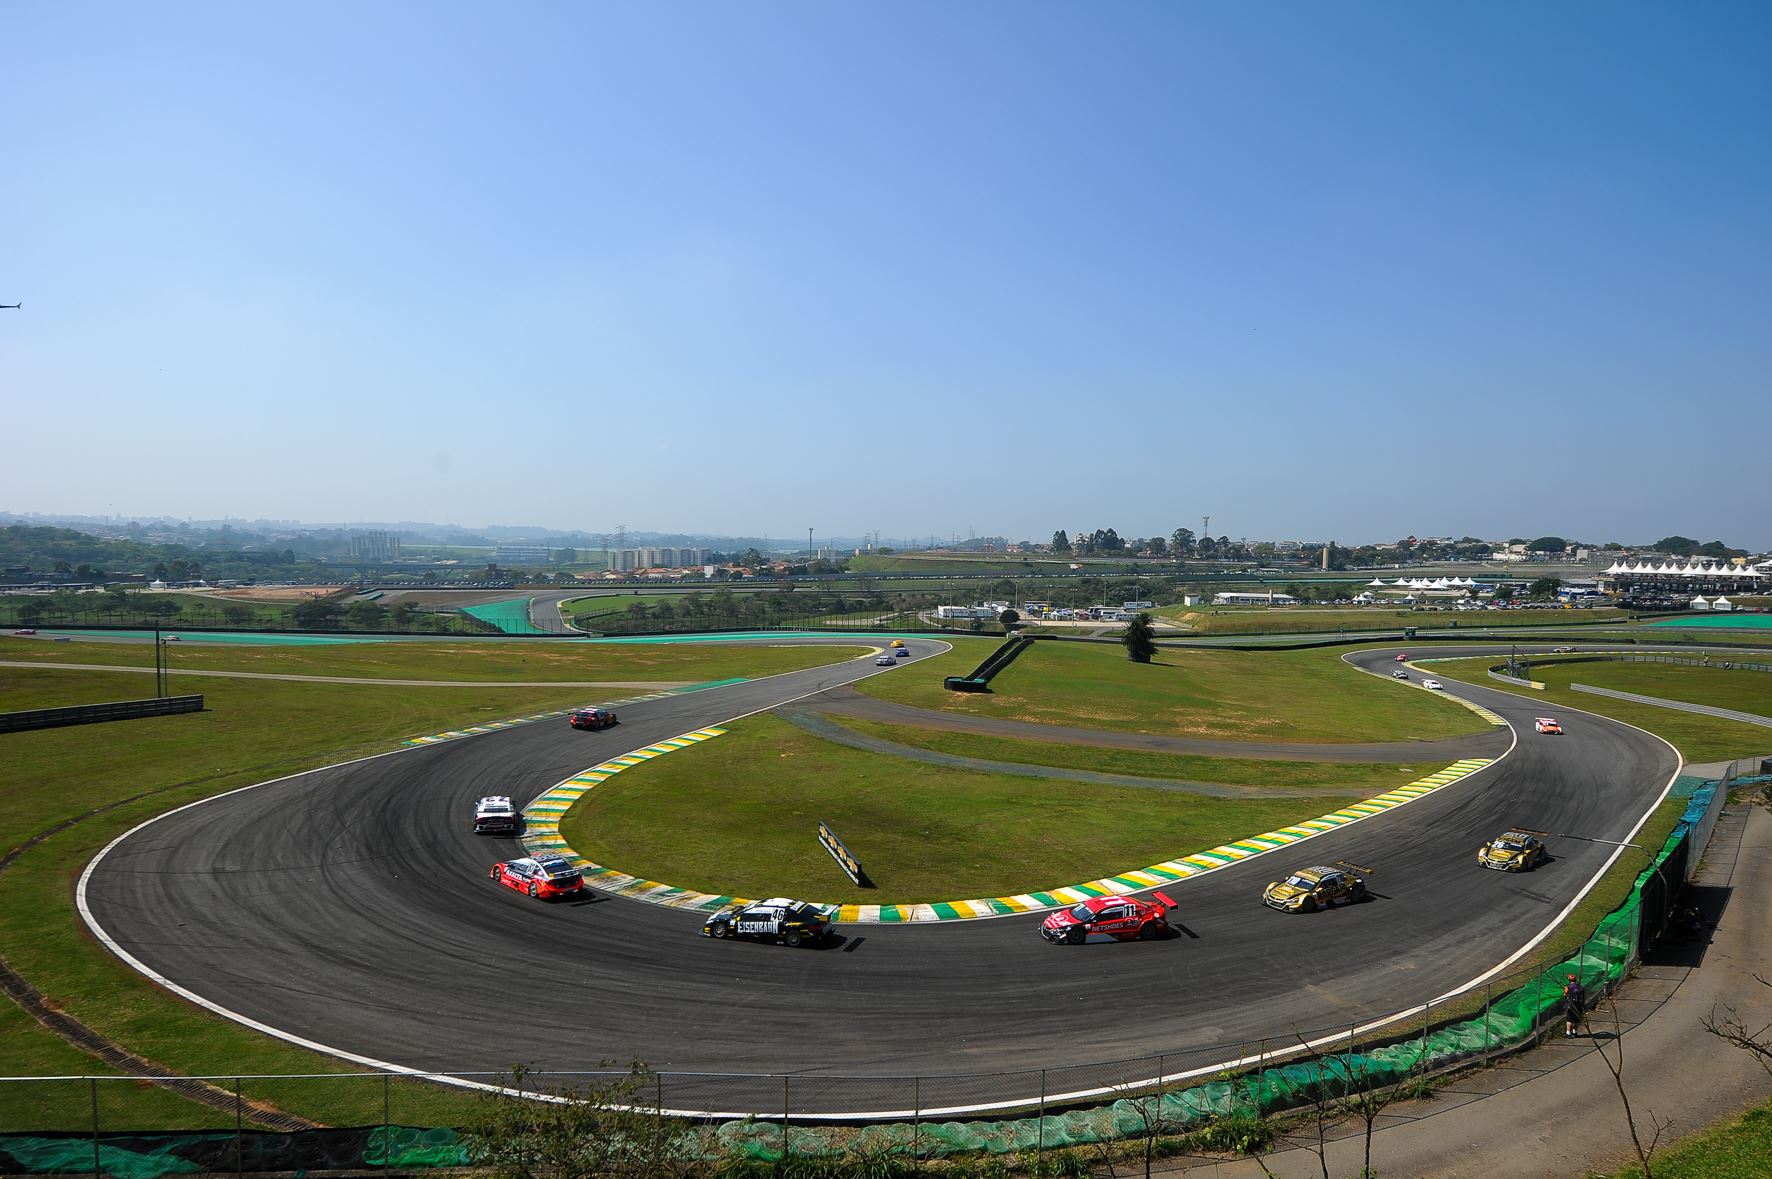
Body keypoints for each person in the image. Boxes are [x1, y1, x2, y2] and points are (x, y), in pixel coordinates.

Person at [1563, 973, 1586, 1037]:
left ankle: (1568, 1033)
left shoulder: (1568, 987)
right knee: (1576, 1020)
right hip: (1579, 1005)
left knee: (1569, 1019)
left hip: (1571, 1005)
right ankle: (1575, 1032)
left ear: (1569, 980)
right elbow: (1583, 996)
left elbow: (1565, 994)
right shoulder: (1580, 986)